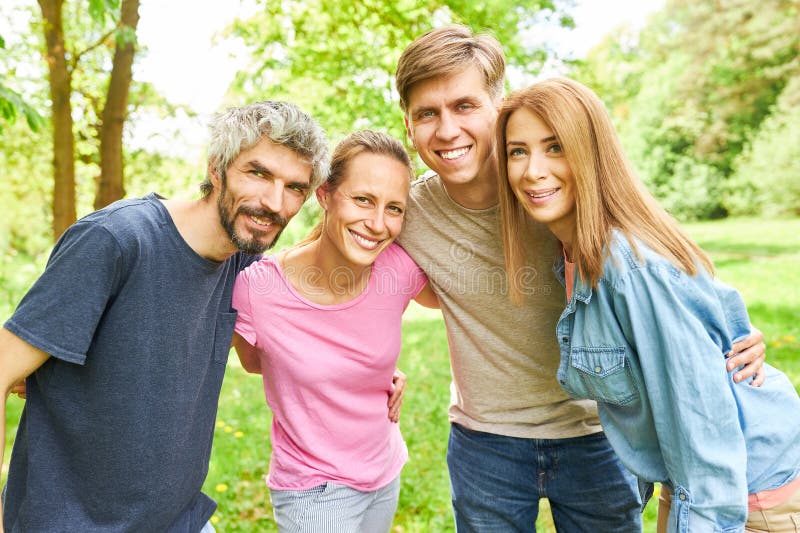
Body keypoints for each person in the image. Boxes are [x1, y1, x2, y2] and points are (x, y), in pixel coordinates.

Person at [393, 25, 769, 531]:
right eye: (427, 114)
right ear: (408, 124)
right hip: (486, 442)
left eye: (464, 106)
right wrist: (369, 366)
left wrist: (726, 334)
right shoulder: (407, 211)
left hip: (598, 432)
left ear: (498, 108)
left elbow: (658, 269)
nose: (446, 130)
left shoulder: (556, 190)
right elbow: (343, 262)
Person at [0, 100, 329, 532]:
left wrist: (373, 371)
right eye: (258, 173)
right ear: (216, 168)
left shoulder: (243, 262)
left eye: (295, 188)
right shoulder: (117, 240)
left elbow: (287, 330)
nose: (274, 202)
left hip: (178, 519)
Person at [496, 77, 800, 532]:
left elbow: (703, 434)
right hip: (693, 486)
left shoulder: (626, 266)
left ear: (590, 153)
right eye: (517, 151)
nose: (532, 170)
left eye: (555, 147)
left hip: (745, 497)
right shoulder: (575, 250)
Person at [230, 130, 438, 533]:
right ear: (324, 194)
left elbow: (468, 302)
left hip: (384, 472)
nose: (377, 224)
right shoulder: (258, 289)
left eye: (394, 208)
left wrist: (374, 371)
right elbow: (256, 363)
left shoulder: (398, 269)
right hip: (314, 492)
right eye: (363, 199)